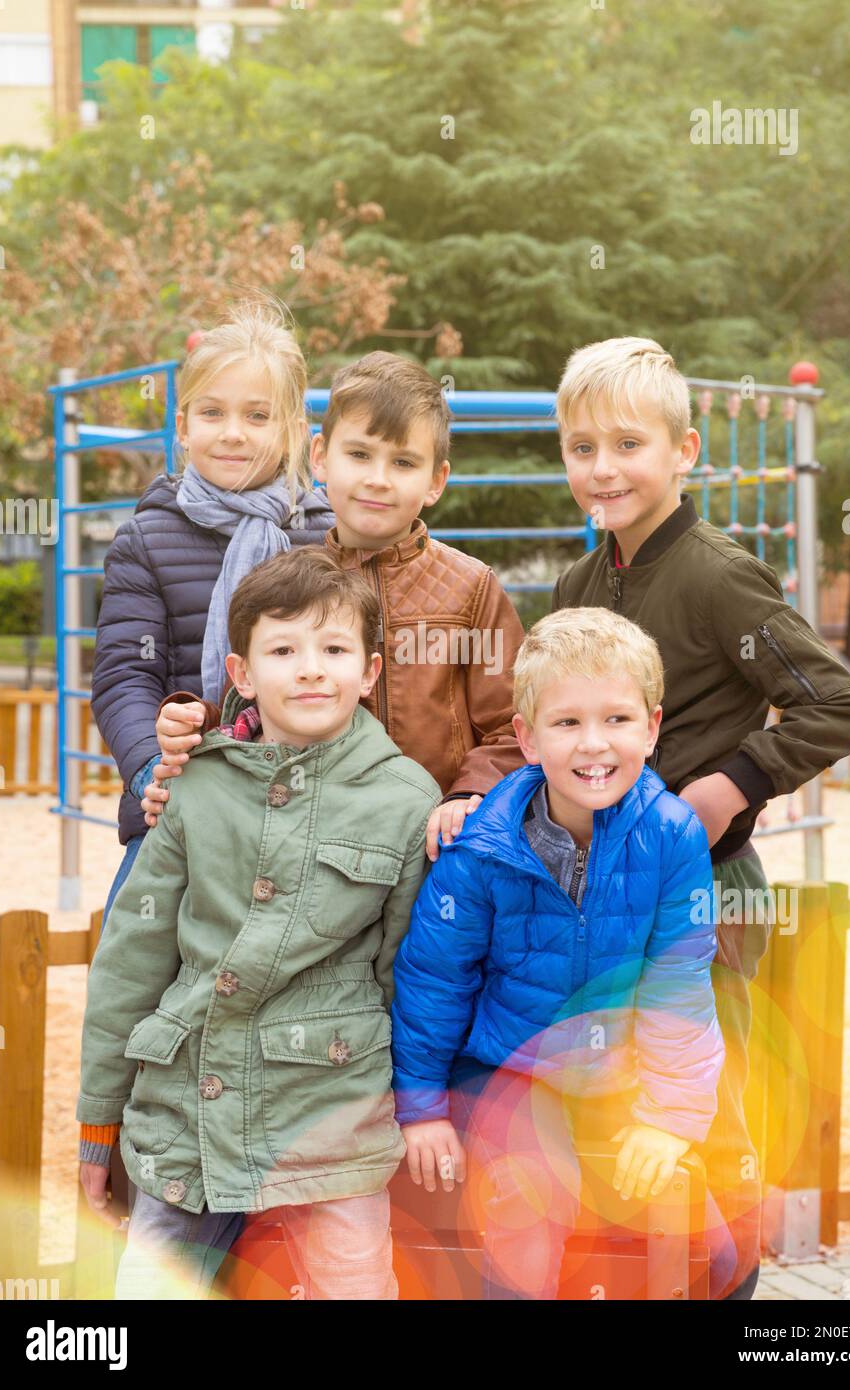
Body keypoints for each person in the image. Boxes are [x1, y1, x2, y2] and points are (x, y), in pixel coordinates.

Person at [549, 337, 850, 1298]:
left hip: (707, 892)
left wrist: (735, 781)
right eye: (579, 447)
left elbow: (834, 704)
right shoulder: (577, 586)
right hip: (604, 888)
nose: (601, 468)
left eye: (626, 444)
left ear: (684, 449)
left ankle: (729, 1291)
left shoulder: (717, 574)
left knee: (708, 1104)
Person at [77, 548, 442, 1300]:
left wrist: (419, 1107)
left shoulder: (406, 800)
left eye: (334, 649)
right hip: (186, 1117)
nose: (311, 669)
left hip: (330, 1119)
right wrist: (97, 1122)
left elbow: (407, 975)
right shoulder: (196, 787)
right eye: (284, 650)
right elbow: (132, 960)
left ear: (369, 673)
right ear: (242, 673)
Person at [390, 608, 737, 1300]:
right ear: (525, 737)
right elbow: (435, 980)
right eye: (567, 722)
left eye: (615, 719)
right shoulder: (479, 850)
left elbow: (677, 980)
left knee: (721, 1255)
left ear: (652, 727)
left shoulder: (671, 837)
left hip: (619, 1068)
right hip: (507, 1070)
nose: (593, 745)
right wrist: (421, 1108)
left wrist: (665, 1120)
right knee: (529, 1203)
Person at [144, 350, 525, 862]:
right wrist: (196, 717)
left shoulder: (471, 588)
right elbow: (254, 707)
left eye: (404, 463)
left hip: (434, 838)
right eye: (360, 455)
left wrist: (466, 793)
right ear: (320, 457)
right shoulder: (289, 577)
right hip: (311, 841)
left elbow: (514, 723)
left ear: (436, 480)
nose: (378, 479)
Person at [90, 298, 334, 930]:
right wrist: (152, 759)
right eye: (213, 412)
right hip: (186, 788)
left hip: (306, 791)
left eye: (258, 415)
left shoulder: (322, 536)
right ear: (183, 425)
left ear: (290, 427)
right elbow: (124, 677)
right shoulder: (147, 539)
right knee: (134, 958)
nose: (234, 432)